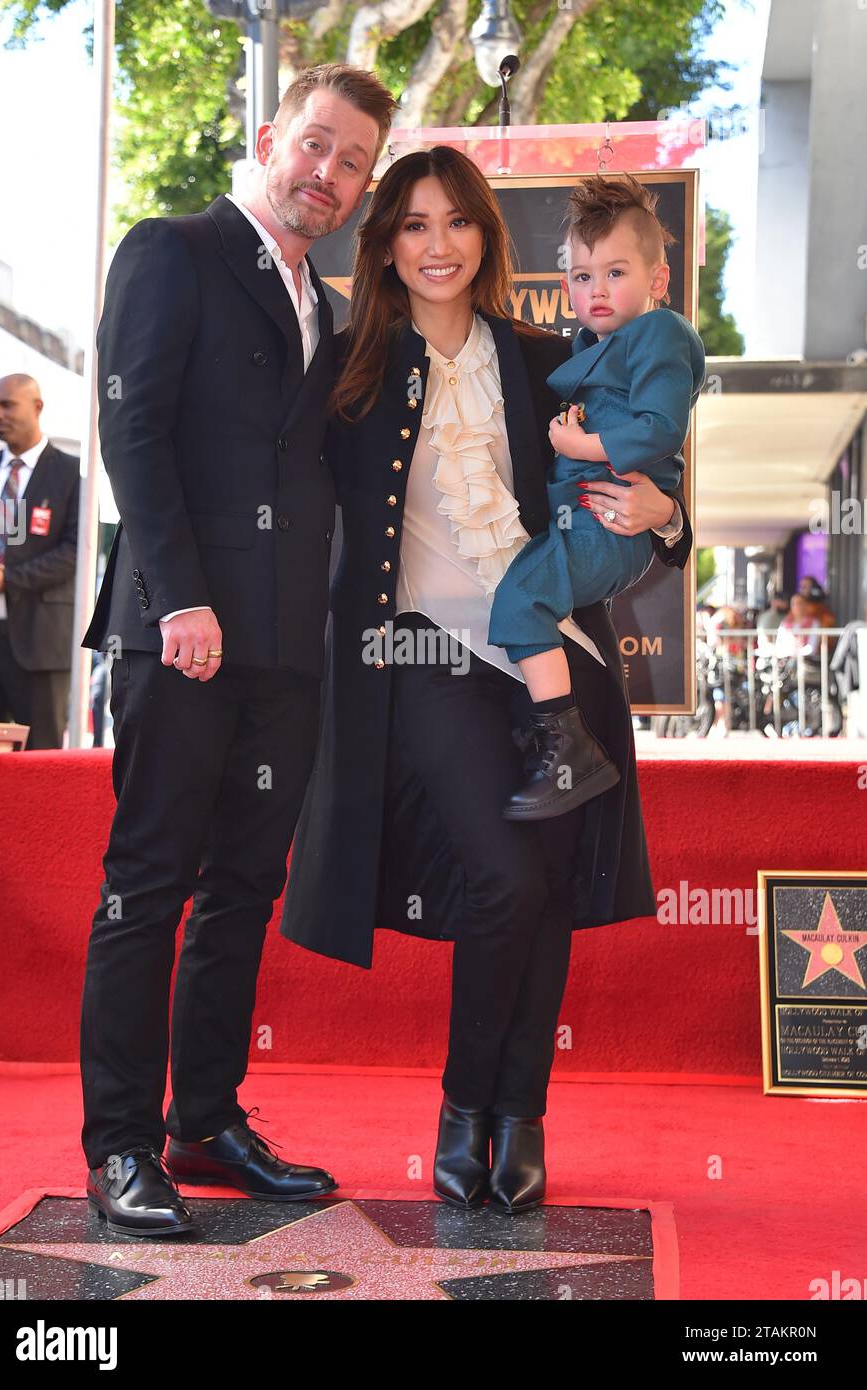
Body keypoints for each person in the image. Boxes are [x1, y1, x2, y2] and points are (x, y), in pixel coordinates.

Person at [279, 146, 691, 1215]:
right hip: (425, 661)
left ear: (484, 238)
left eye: (455, 222)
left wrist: (669, 516)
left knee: (544, 891)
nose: (435, 244)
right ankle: (467, 1109)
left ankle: (523, 1118)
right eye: (412, 224)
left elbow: (651, 465)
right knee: (504, 877)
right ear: (385, 244)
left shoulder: (550, 355)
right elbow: (265, 479)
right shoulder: (352, 366)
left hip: (559, 666)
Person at [79, 63, 398, 1238]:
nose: (329, 173)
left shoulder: (329, 301)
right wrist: (179, 600)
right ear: (271, 137)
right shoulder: (173, 248)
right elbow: (133, 427)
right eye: (316, 144)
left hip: (283, 655)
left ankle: (202, 1120)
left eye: (353, 160)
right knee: (146, 887)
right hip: (184, 634)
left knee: (240, 890)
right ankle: (118, 1143)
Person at [487, 174, 705, 820]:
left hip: (602, 527)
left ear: (657, 280)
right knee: (523, 597)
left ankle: (566, 746)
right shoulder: (589, 347)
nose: (597, 290)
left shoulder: (653, 335)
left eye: (614, 273)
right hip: (562, 534)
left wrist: (662, 512)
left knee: (522, 597)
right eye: (583, 278)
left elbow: (661, 433)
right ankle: (559, 741)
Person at [0, 375, 79, 750]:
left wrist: (7, 578)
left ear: (38, 407)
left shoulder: (72, 476)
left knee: (43, 761)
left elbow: (74, 551)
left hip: (41, 646)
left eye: (6, 405)